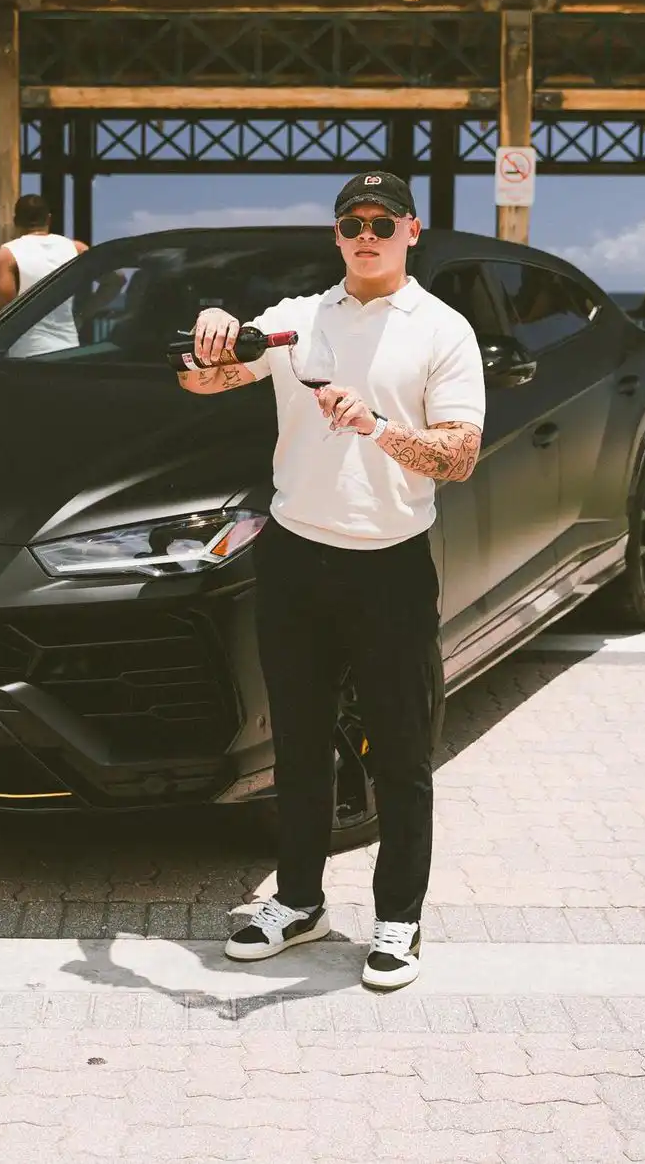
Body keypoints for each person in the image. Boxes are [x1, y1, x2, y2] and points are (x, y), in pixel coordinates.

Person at [177, 170, 485, 991]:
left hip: (388, 562)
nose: (367, 234)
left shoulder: (441, 329)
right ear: (337, 235)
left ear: (412, 231)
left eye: (384, 221)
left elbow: (458, 455)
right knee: (300, 742)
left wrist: (377, 426)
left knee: (403, 749)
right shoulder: (296, 320)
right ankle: (300, 902)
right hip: (295, 557)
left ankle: (398, 917)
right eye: (353, 222)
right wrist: (212, 337)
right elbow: (204, 378)